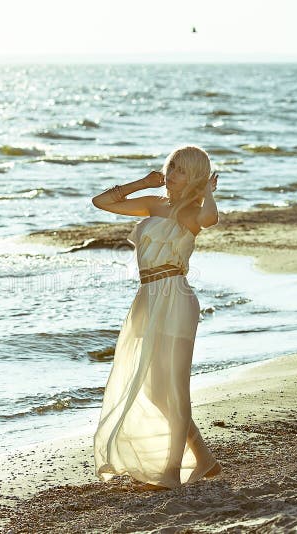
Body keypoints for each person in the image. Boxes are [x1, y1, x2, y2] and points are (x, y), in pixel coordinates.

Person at [90, 144, 222, 490]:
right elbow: (102, 202)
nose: (171, 172)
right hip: (147, 297)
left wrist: (206, 190)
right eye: (171, 165)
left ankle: (170, 471)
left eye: (180, 168)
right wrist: (142, 182)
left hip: (176, 297)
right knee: (155, 389)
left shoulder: (193, 211)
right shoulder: (154, 204)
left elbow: (211, 219)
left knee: (175, 388)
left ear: (193, 175)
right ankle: (204, 459)